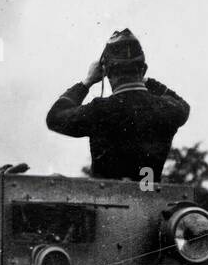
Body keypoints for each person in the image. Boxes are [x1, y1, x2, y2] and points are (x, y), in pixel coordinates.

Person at [45, 28, 189, 182]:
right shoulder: (168, 109)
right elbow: (183, 105)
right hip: (149, 194)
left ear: (106, 71)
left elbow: (54, 118)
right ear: (144, 69)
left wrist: (87, 82)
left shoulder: (100, 110)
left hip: (105, 201)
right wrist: (148, 82)